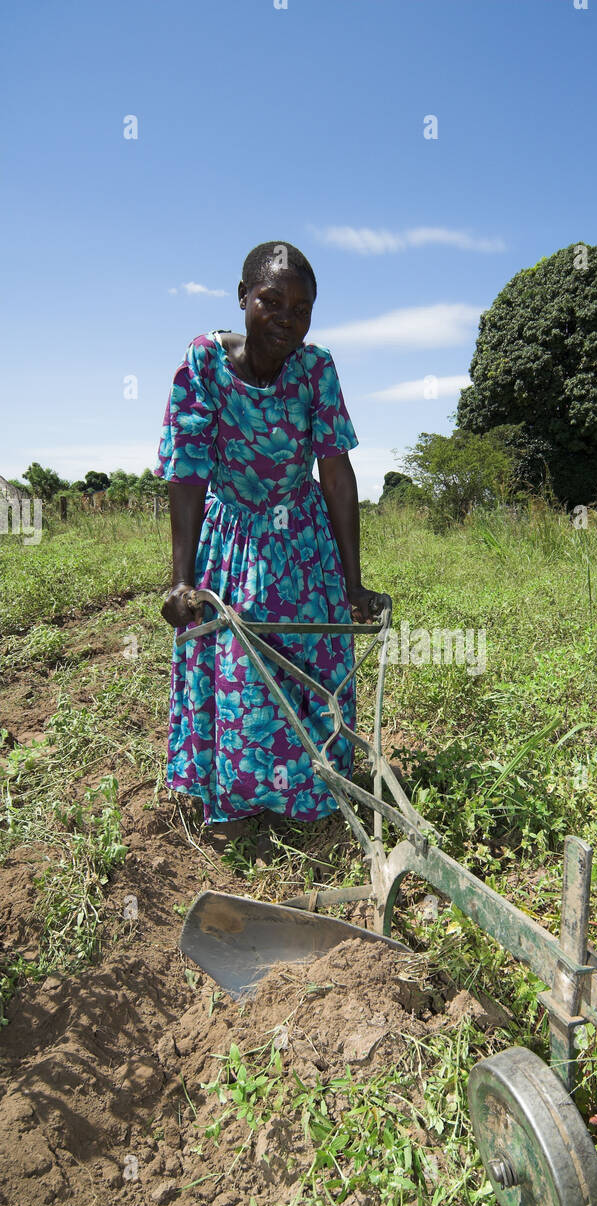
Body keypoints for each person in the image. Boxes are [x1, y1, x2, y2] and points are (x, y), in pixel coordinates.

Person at [155, 239, 383, 837]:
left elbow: (335, 472)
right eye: (272, 300)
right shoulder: (203, 363)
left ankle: (310, 795)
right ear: (242, 298)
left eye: (302, 308)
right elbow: (187, 474)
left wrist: (352, 582)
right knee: (240, 670)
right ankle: (235, 799)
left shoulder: (316, 369)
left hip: (302, 542)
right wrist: (181, 579)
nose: (288, 317)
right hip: (231, 540)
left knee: (308, 665)